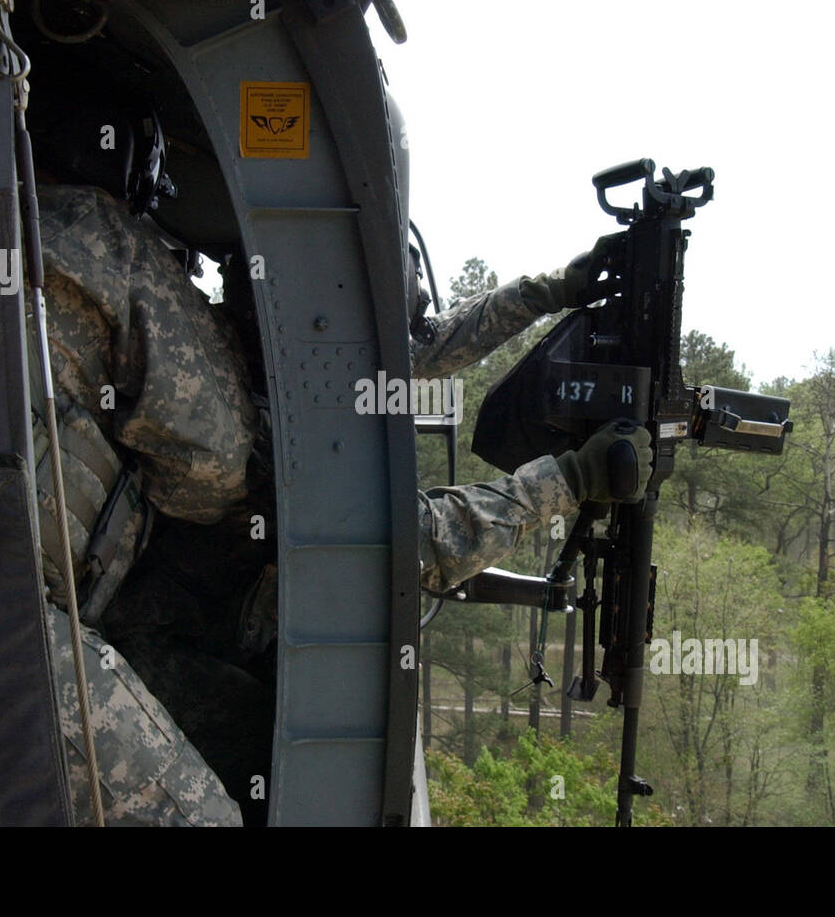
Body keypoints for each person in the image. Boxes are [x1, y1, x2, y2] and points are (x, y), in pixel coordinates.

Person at [32, 184, 650, 825]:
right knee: (268, 766)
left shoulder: (271, 360)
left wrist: (554, 290)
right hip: (151, 646)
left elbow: (422, 350)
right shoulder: (256, 434)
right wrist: (569, 480)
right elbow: (426, 541)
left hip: (192, 633)